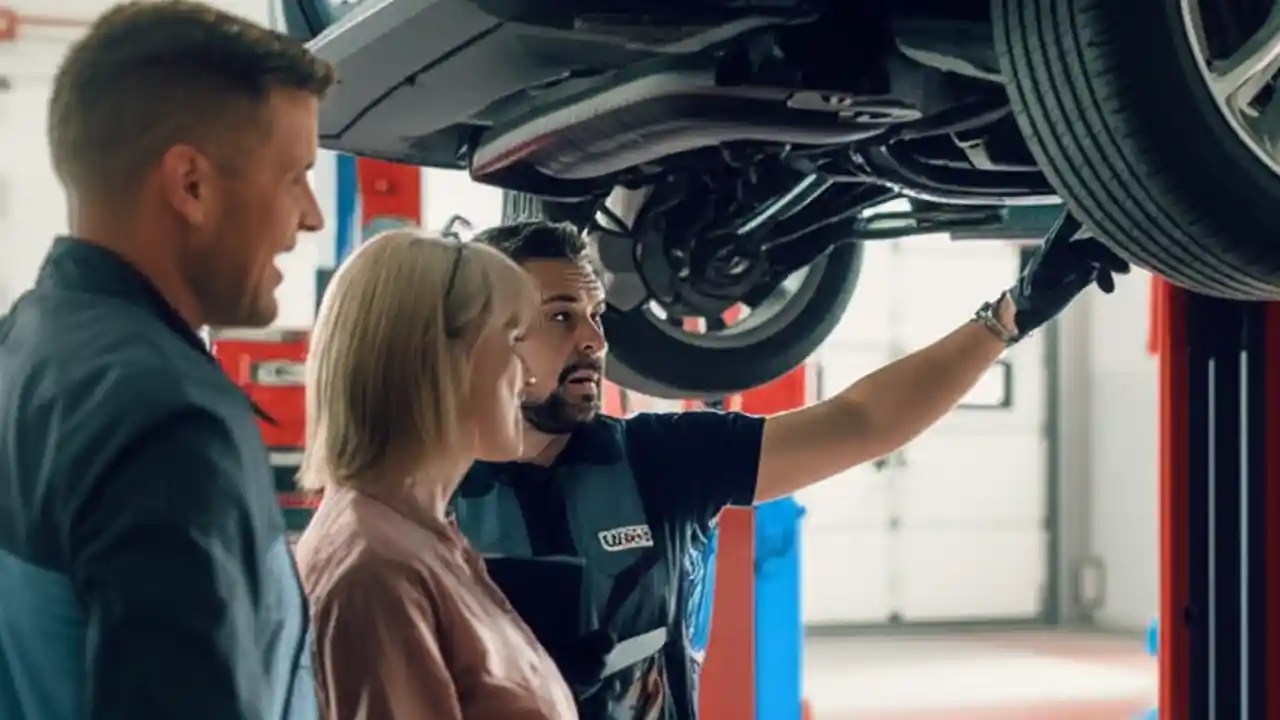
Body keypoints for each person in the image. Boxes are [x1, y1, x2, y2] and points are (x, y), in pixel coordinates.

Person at [453, 212, 1130, 720]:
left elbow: (861, 420)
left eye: (595, 314)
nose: (595, 339)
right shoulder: (424, 491)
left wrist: (1009, 317)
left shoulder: (661, 461)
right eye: (562, 316)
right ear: (486, 334)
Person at [0, 3, 333, 719]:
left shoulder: (24, 347)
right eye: (295, 176)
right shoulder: (169, 419)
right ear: (191, 186)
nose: (312, 216)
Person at [294, 230, 579, 720]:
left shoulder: (415, 536)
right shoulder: (378, 570)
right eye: (511, 341)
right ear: (442, 360)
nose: (527, 375)